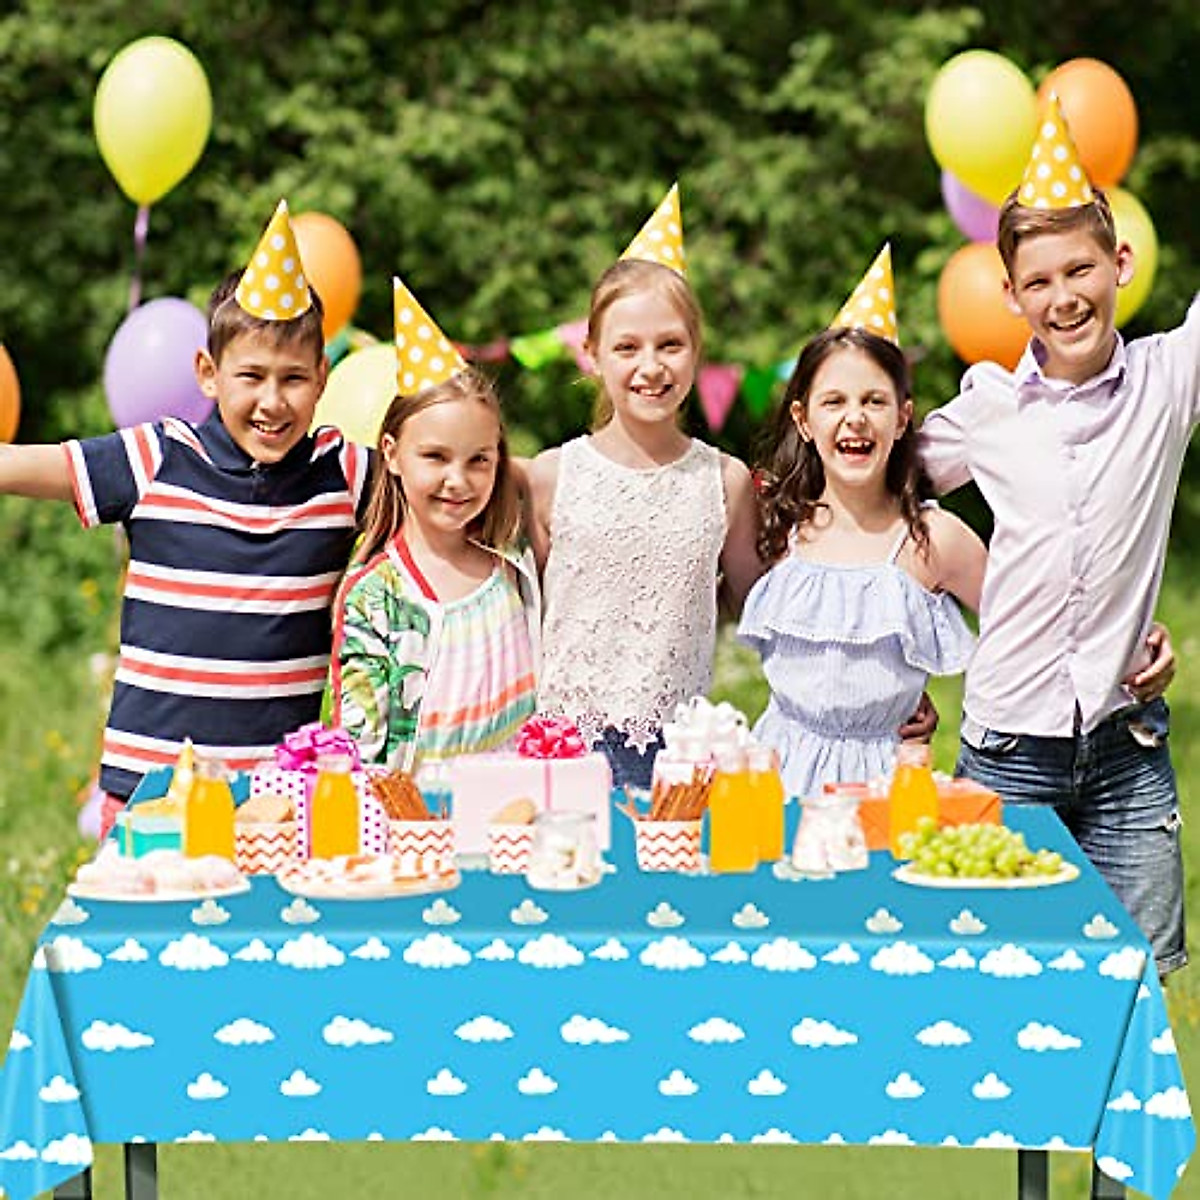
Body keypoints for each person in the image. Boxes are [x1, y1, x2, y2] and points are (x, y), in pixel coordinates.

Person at [917, 96, 1196, 976]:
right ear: (1009, 294)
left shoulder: (1169, 379)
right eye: (1037, 281)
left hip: (1126, 744)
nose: (1063, 297)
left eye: (1080, 270)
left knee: (1138, 985)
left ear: (1121, 262)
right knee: (997, 982)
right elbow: (867, 484)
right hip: (1006, 749)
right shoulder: (987, 409)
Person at [0, 201, 371, 835]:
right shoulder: (158, 455)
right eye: (250, 375)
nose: (272, 401)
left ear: (322, 378)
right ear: (208, 373)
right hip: (151, 791)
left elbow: (452, 474)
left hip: (275, 797)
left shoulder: (342, 472)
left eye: (293, 379)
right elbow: (41, 465)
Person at [524, 185, 762, 789]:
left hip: (682, 753)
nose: (650, 366)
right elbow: (530, 612)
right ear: (593, 355)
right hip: (563, 747)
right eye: (627, 347)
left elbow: (758, 610)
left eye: (670, 345)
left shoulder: (724, 481)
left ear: (696, 352)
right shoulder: (553, 476)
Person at [739, 248, 987, 799]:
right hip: (776, 774)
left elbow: (1022, 626)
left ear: (902, 418)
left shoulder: (933, 541)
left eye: (874, 400)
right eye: (834, 401)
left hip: (883, 785)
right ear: (804, 420)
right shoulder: (780, 529)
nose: (855, 417)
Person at [327, 277, 539, 772]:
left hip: (519, 822)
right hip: (417, 832)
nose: (457, 480)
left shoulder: (513, 568)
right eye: (436, 457)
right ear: (392, 454)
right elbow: (359, 751)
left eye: (478, 460)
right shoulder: (373, 595)